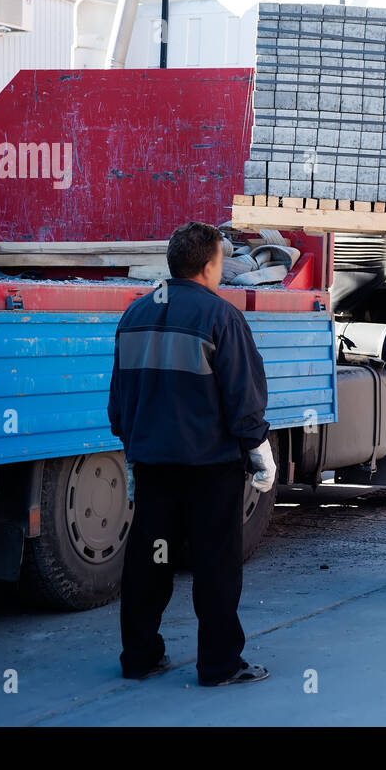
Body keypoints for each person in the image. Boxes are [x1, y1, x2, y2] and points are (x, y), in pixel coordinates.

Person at [108, 220, 276, 687]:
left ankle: (139, 657)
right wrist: (259, 451)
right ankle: (219, 664)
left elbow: (119, 400)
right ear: (208, 265)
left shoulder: (135, 315)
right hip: (210, 469)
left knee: (149, 563)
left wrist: (133, 445)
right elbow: (243, 397)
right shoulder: (220, 317)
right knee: (215, 566)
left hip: (153, 466)